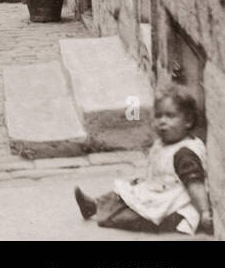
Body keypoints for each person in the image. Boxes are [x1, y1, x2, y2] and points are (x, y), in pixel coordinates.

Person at [74, 84, 212, 236]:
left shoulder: (184, 153)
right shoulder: (163, 144)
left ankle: (106, 212)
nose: (162, 121)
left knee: (134, 215)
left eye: (170, 116)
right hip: (159, 191)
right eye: (158, 116)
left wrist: (205, 212)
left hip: (173, 205)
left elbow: (195, 184)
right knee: (123, 192)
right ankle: (93, 205)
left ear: (188, 121)